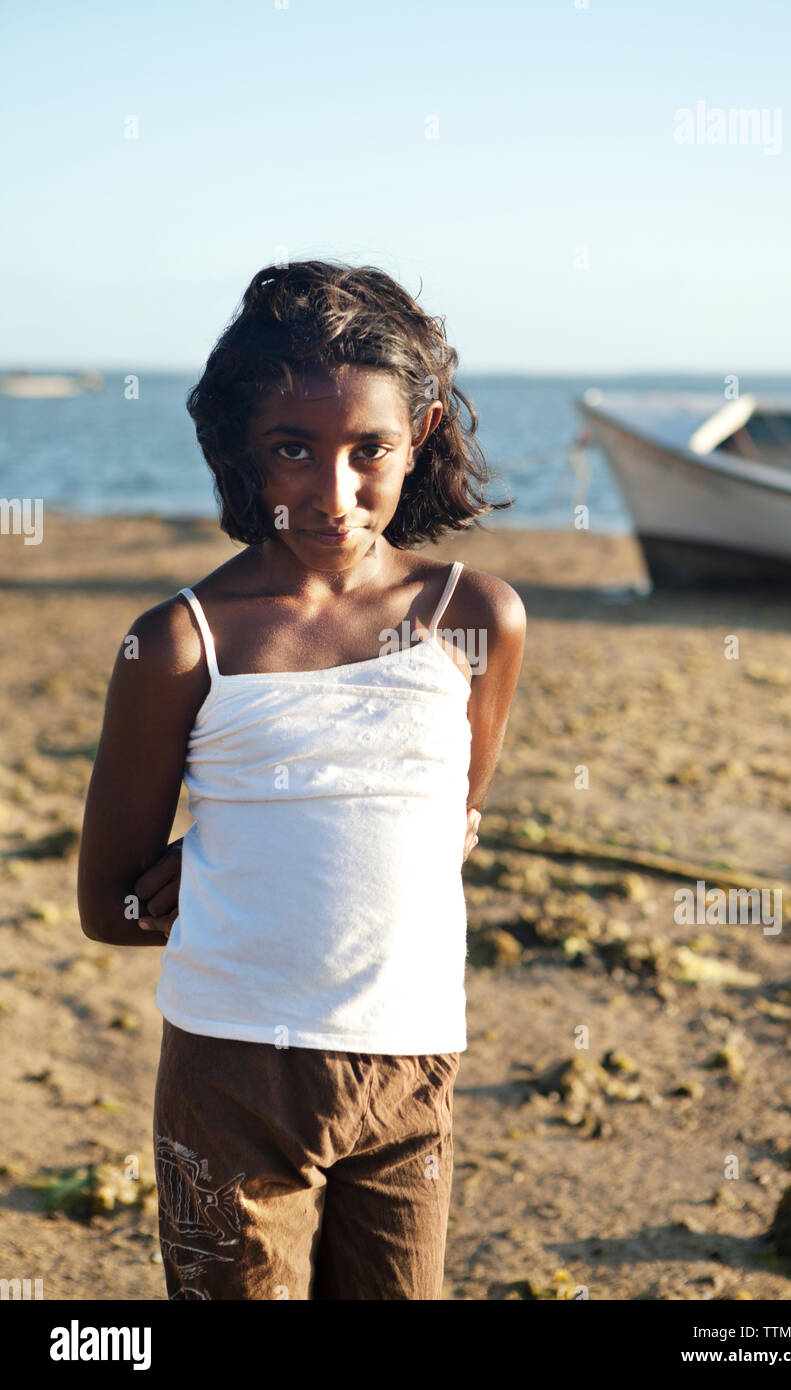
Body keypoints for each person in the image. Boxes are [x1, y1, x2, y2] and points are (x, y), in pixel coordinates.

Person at [77, 260, 526, 1300]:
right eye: (291, 449)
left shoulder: (476, 619)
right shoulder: (182, 644)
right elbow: (110, 903)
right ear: (242, 449)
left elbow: (451, 822)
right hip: (231, 1071)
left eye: (367, 448)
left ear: (414, 436)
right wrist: (234, 874)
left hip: (412, 1062)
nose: (333, 491)